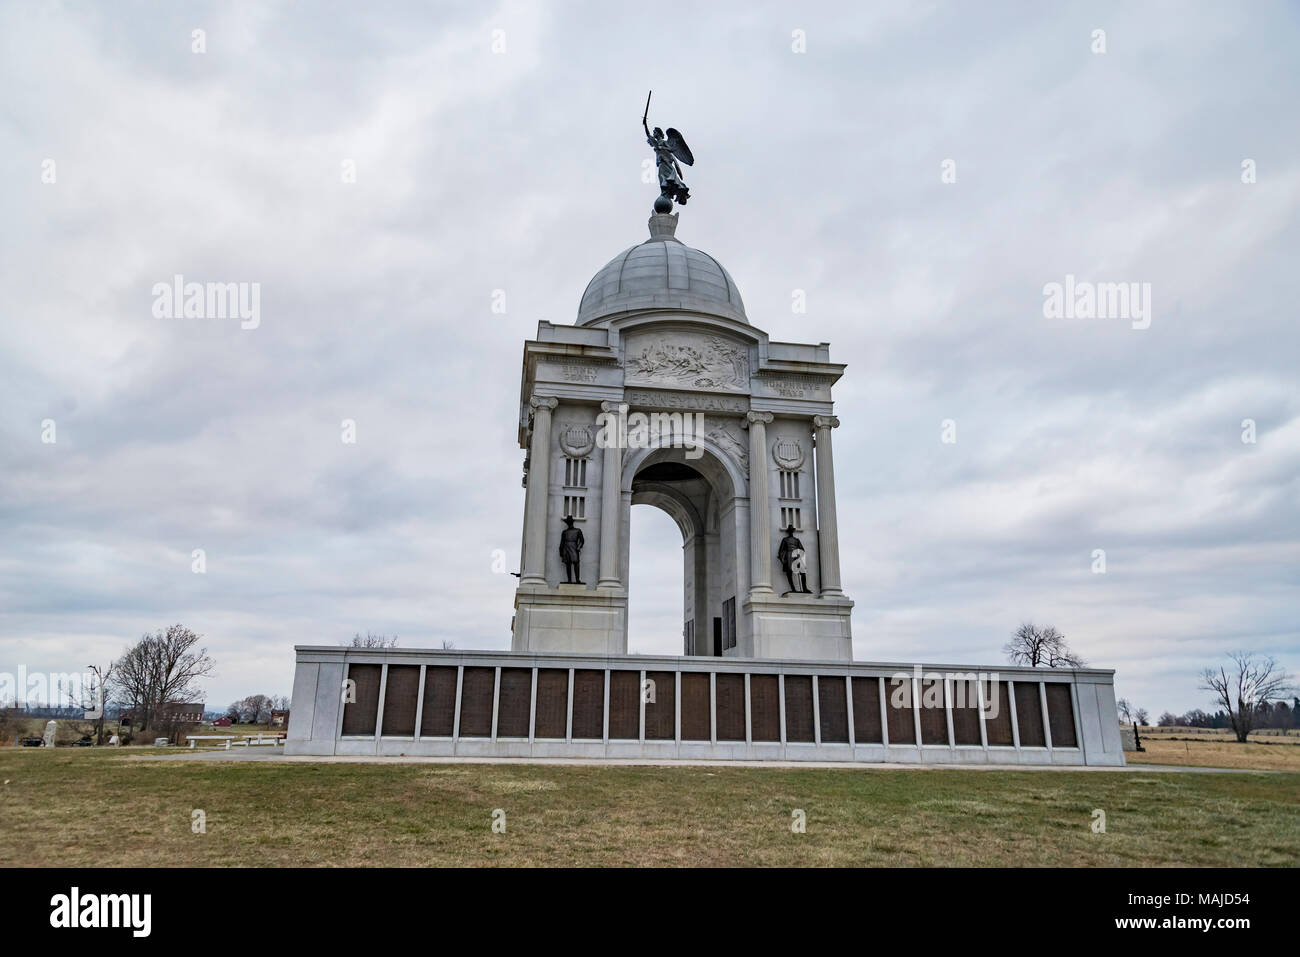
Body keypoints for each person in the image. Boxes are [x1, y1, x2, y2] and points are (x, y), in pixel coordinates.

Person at [777, 524, 811, 594]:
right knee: (789, 573)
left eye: (791, 531)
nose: (790, 532)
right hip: (789, 556)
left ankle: (804, 588)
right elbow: (781, 551)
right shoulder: (785, 540)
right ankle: (793, 589)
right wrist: (783, 560)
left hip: (796, 556)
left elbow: (802, 549)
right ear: (788, 532)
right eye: (789, 531)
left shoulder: (797, 540)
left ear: (793, 531)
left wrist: (799, 555)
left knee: (802, 572)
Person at [559, 515, 584, 584]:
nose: (569, 523)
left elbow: (582, 541)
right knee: (568, 564)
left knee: (576, 564)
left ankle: (577, 579)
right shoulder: (564, 532)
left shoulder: (578, 531)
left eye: (569, 522)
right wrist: (561, 551)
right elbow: (562, 543)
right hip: (566, 548)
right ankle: (569, 580)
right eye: (568, 522)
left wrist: (578, 548)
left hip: (574, 548)